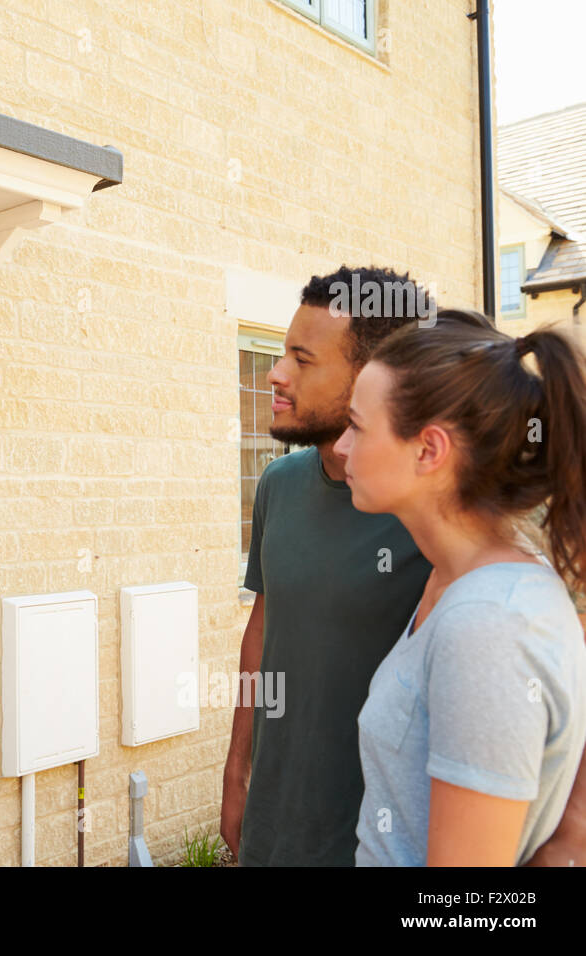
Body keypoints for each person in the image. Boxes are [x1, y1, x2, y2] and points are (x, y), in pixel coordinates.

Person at [336, 310, 586, 865]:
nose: (340, 448)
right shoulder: (452, 581)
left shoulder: (491, 624)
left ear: (429, 450)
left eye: (357, 426)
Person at [221, 266, 435, 866]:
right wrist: (237, 772)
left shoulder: (425, 513)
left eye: (303, 359)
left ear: (372, 381)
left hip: (374, 839)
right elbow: (261, 632)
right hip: (272, 825)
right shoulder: (278, 484)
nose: (277, 373)